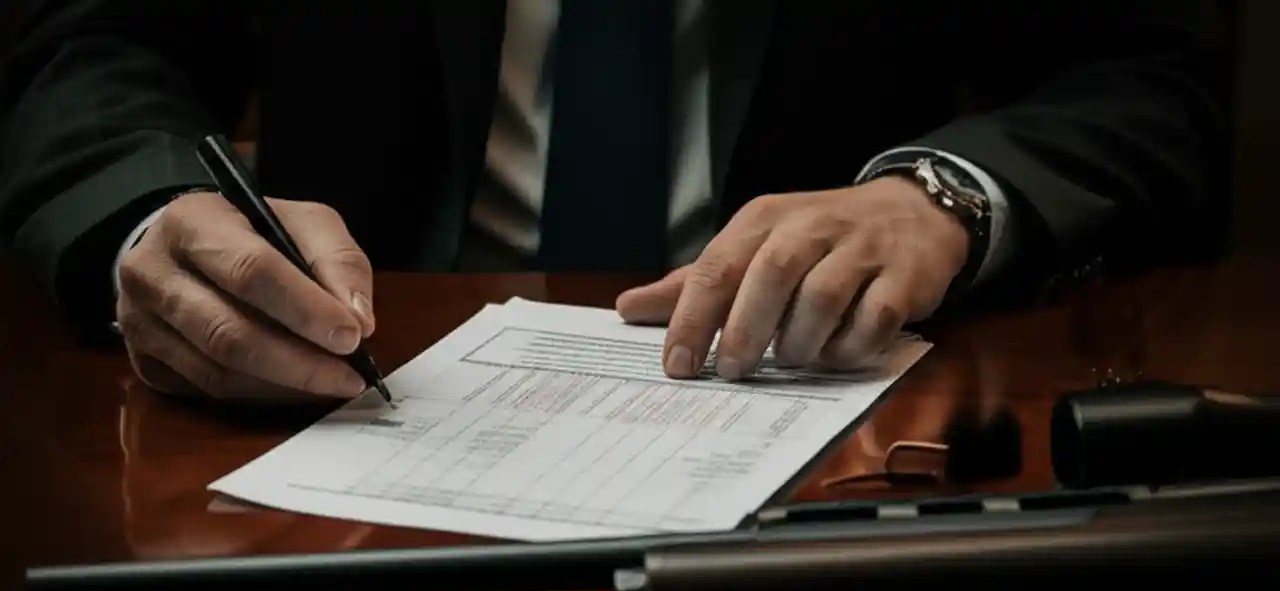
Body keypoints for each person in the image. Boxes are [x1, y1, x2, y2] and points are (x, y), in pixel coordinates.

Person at [0, 1, 1226, 402]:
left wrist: (944, 195)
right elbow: (90, 38)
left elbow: (1149, 79)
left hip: (834, 403)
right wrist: (147, 214)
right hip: (359, 383)